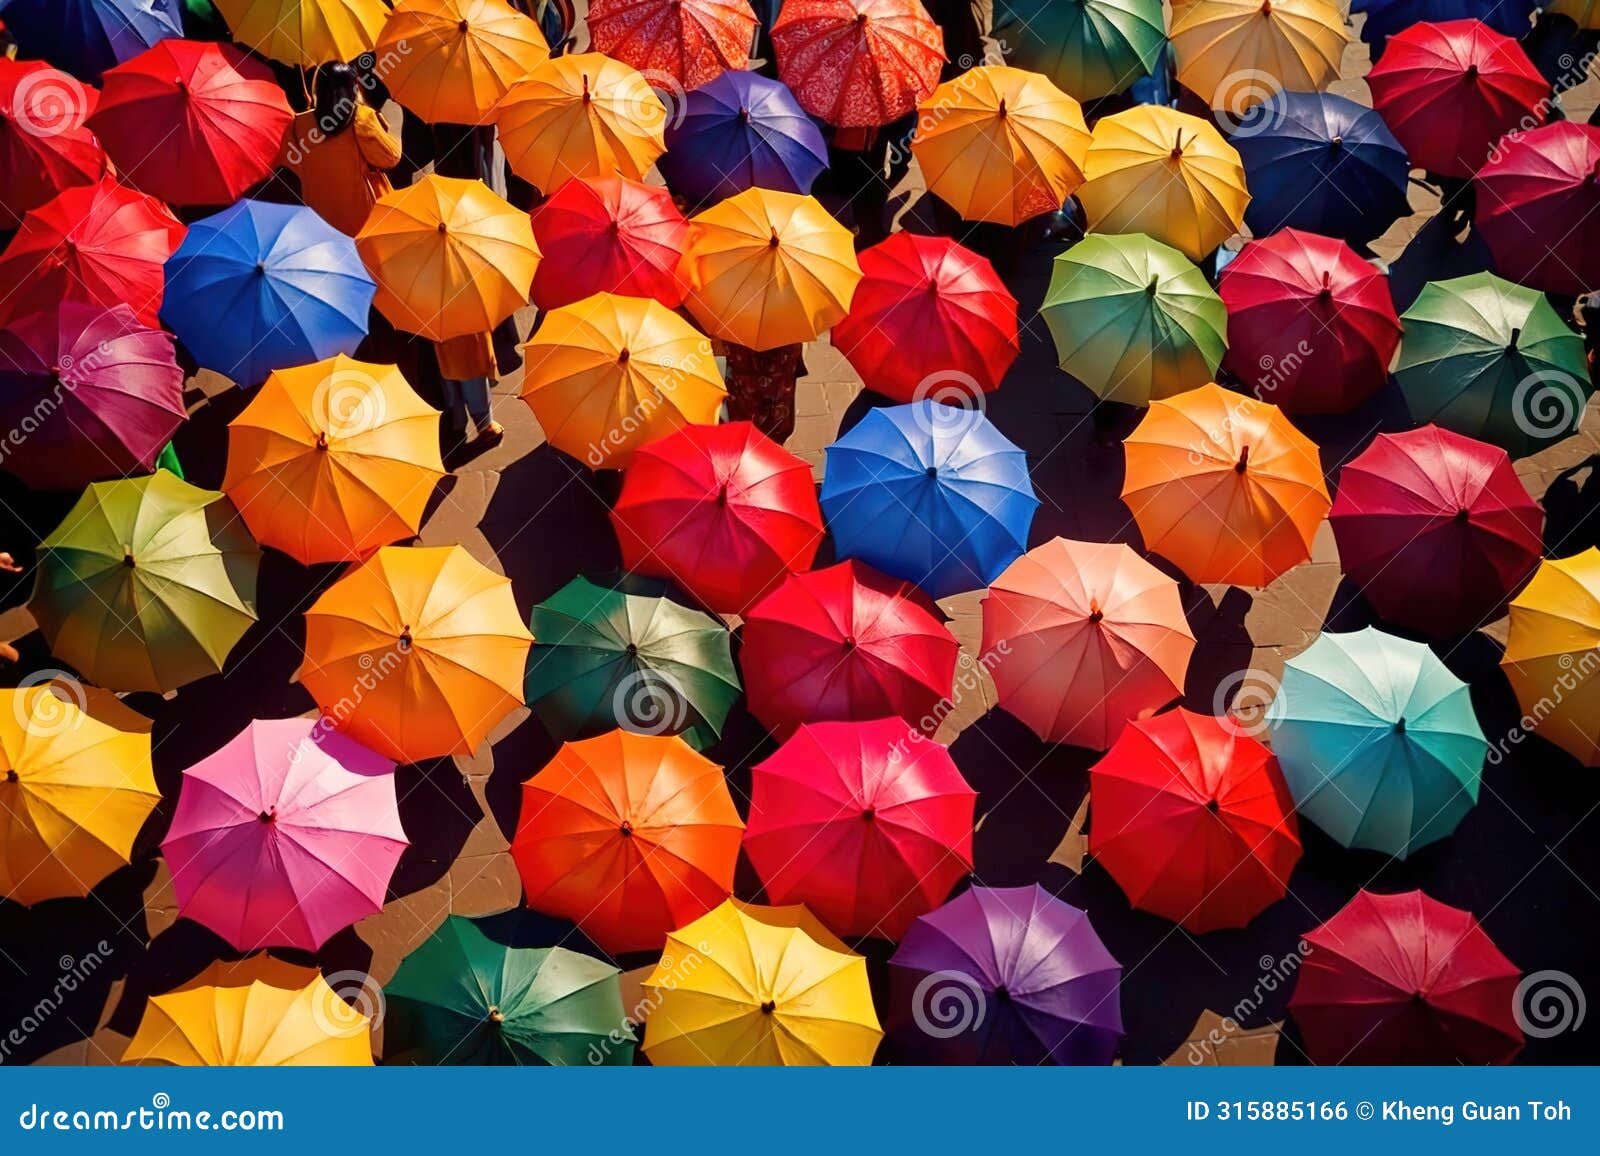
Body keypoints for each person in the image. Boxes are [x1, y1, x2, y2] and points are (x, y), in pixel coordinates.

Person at [281, 63, 403, 236]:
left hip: (318, 223)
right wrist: (391, 126)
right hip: (364, 222)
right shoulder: (363, 117)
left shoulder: (297, 125)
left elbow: (287, 167)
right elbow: (390, 157)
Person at [436, 331, 505, 453]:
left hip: (435, 338)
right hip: (465, 337)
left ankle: (457, 422)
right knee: (472, 371)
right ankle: (485, 425)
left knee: (447, 380)